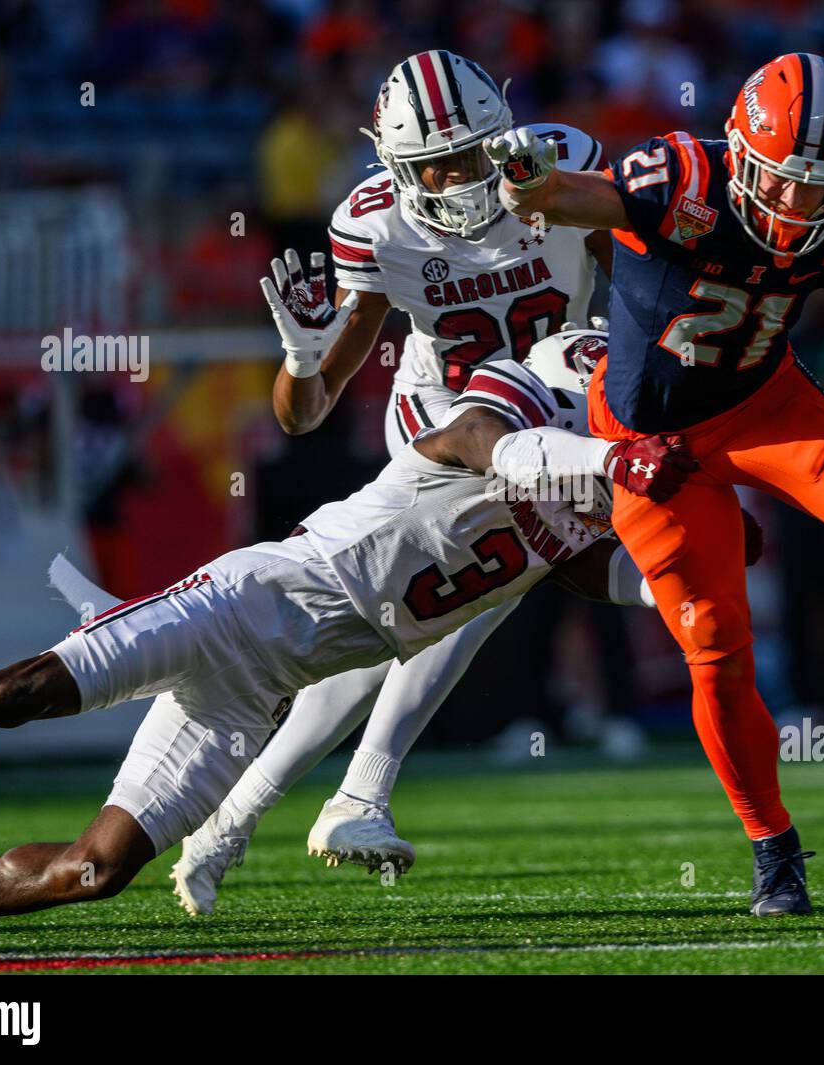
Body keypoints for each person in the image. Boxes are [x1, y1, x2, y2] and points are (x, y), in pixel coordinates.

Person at [484, 52, 824, 916]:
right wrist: (526, 177)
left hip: (763, 403)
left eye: (819, 189)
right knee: (714, 645)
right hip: (648, 436)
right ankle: (773, 847)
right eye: (780, 182)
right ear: (743, 154)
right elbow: (565, 197)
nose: (796, 204)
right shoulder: (682, 178)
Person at [0, 332, 693, 925]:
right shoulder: (498, 414)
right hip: (233, 607)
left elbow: (591, 567)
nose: (617, 426)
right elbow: (475, 440)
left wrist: (685, 577)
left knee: (94, 870)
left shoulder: (589, 492)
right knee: (14, 691)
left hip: (258, 693)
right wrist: (605, 462)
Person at [174, 49, 616, 899]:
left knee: (394, 627)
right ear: (391, 163)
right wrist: (301, 360)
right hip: (446, 421)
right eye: (432, 165)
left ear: (504, 132)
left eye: (471, 153)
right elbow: (303, 413)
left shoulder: (560, 162)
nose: (457, 178)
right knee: (466, 592)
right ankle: (347, 795)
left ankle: (244, 816)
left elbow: (641, 270)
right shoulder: (375, 223)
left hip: (556, 402)